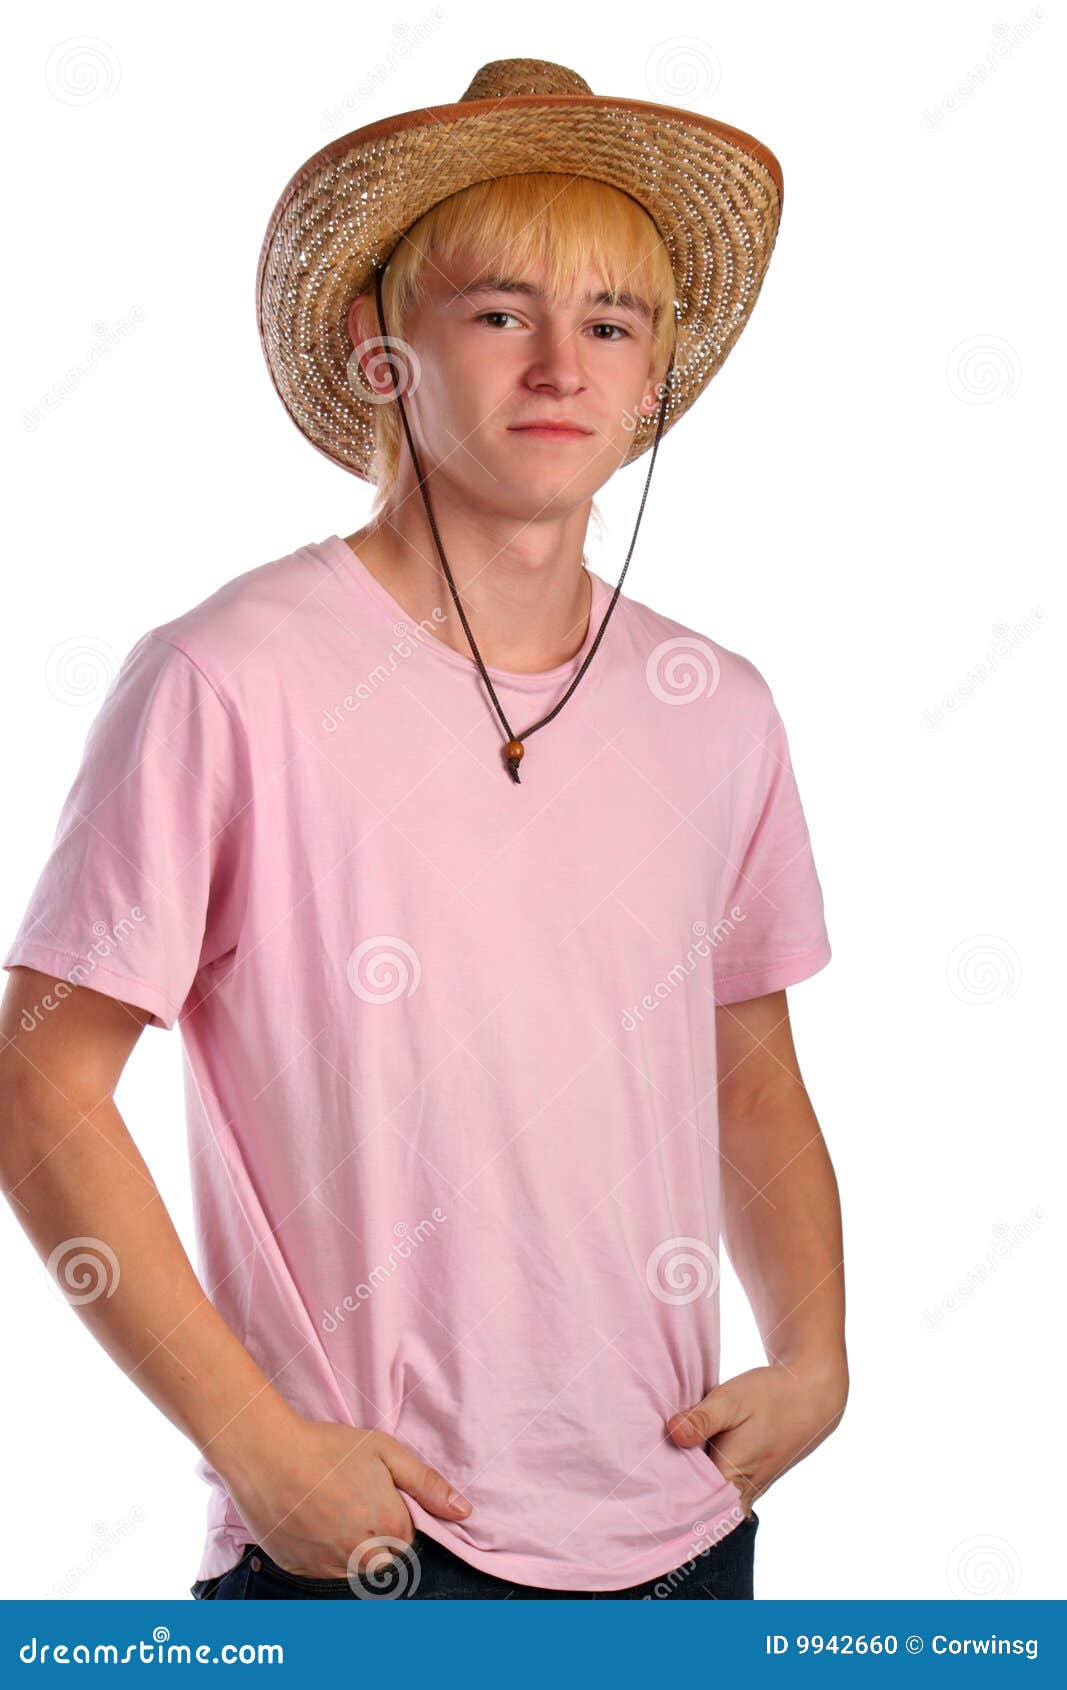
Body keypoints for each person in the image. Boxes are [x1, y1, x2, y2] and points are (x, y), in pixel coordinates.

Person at [0, 58, 847, 1601]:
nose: (559, 366)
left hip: (686, 1527)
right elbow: (37, 1083)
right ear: (380, 348)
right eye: (497, 311)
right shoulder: (228, 677)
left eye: (612, 323)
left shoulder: (717, 707)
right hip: (369, 1539)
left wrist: (819, 1353)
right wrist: (261, 1446)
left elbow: (749, 1063)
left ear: (655, 376)